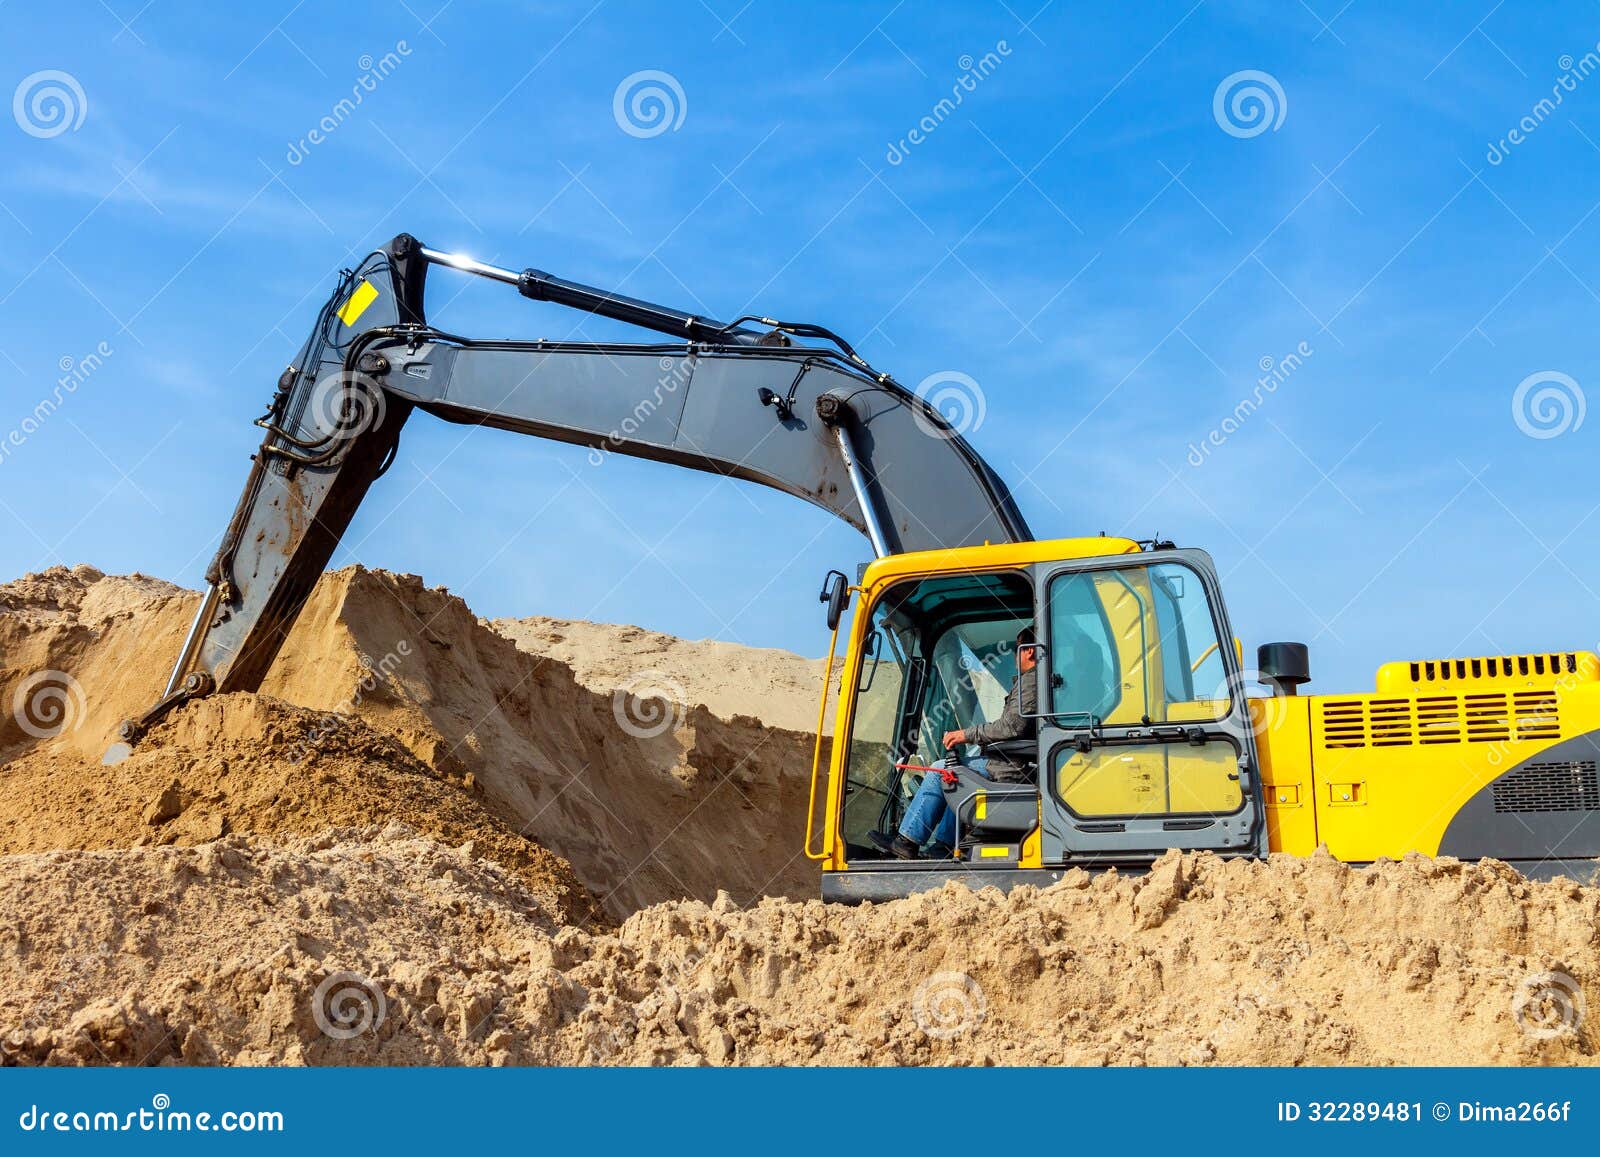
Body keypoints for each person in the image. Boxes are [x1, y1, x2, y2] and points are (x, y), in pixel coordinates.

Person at [870, 626, 1038, 860]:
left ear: (1029, 651)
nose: (1014, 655)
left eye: (1017, 649)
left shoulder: (1031, 682)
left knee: (940, 770)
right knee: (958, 775)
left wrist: (965, 735)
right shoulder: (1034, 682)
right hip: (1010, 762)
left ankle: (907, 840)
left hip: (1009, 767)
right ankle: (943, 845)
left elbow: (1011, 727)